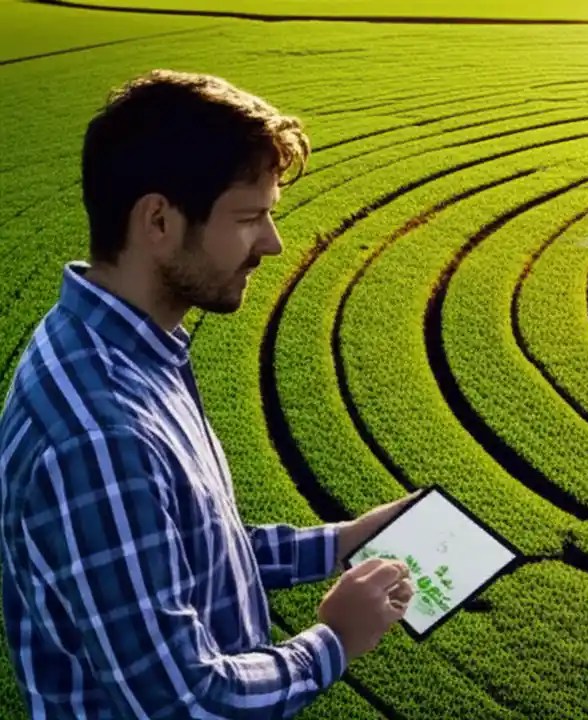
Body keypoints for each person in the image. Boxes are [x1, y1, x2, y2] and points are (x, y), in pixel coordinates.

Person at [0, 69, 419, 719]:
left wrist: (341, 543)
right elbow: (183, 703)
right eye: (250, 218)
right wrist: (334, 641)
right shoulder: (101, 436)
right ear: (159, 220)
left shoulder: (122, 350)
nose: (272, 244)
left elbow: (181, 552)